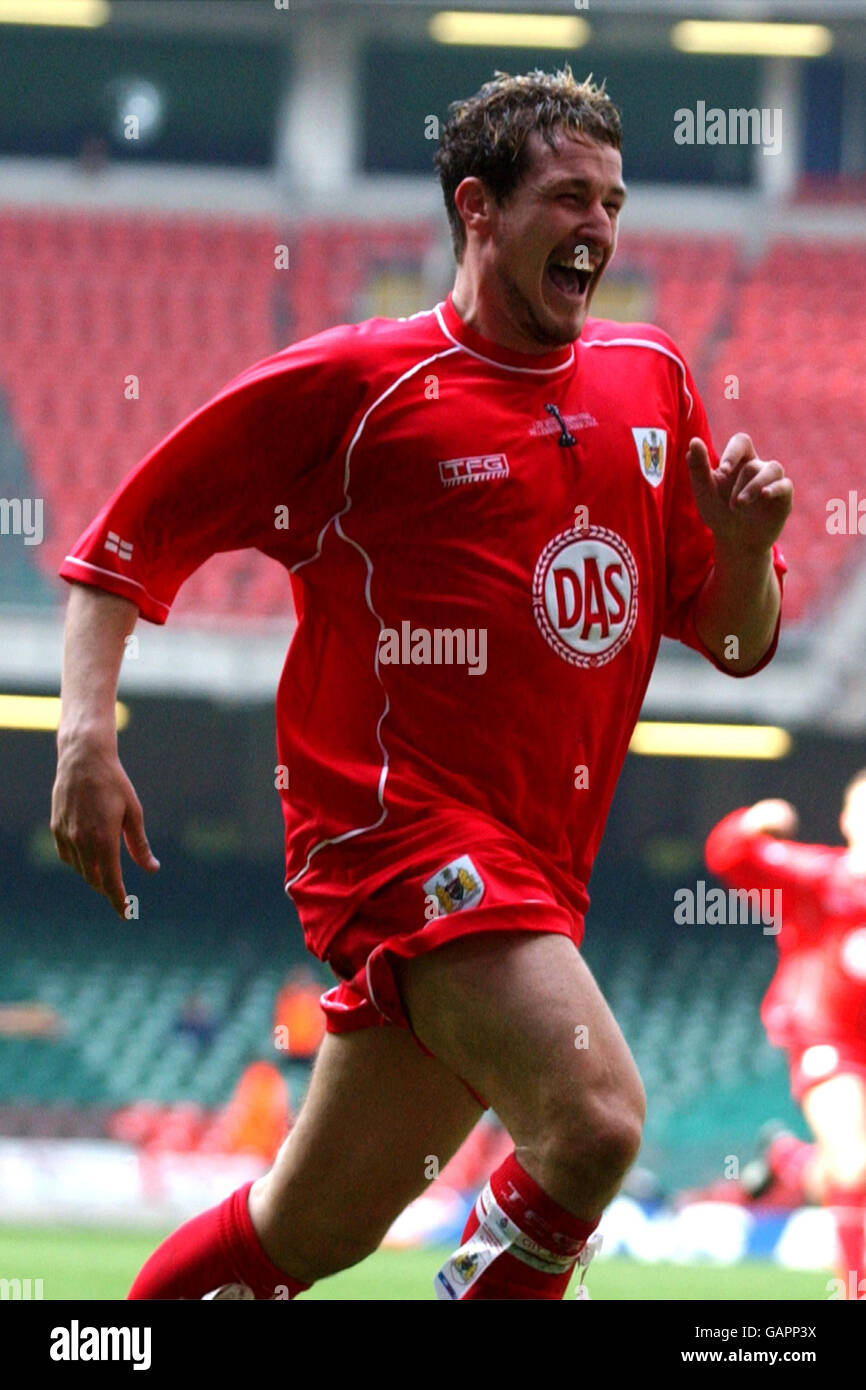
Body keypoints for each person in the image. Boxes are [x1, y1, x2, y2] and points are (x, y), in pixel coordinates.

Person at [50, 68, 791, 1301]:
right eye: (567, 196)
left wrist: (751, 553)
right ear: (476, 209)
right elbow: (122, 545)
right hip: (390, 838)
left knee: (305, 1228)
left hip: (537, 866)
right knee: (594, 1119)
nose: (598, 228)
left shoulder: (649, 380)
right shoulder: (355, 387)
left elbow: (731, 639)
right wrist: (86, 738)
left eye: (612, 200)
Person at [705, 781, 866, 1300]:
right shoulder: (818, 876)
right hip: (824, 1036)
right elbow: (728, 855)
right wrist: (752, 820)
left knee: (849, 1166)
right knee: (857, 1165)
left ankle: (790, 1162)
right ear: (847, 821)